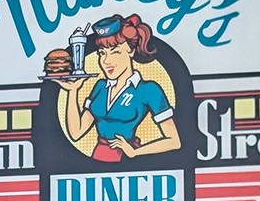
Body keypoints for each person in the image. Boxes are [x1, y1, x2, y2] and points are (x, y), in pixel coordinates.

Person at [54, 14, 181, 162]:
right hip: (98, 156)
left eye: (115, 51)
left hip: (127, 159)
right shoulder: (100, 87)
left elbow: (174, 141)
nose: (106, 61)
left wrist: (135, 152)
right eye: (102, 53)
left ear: (130, 51)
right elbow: (76, 133)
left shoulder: (149, 90)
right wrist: (73, 91)